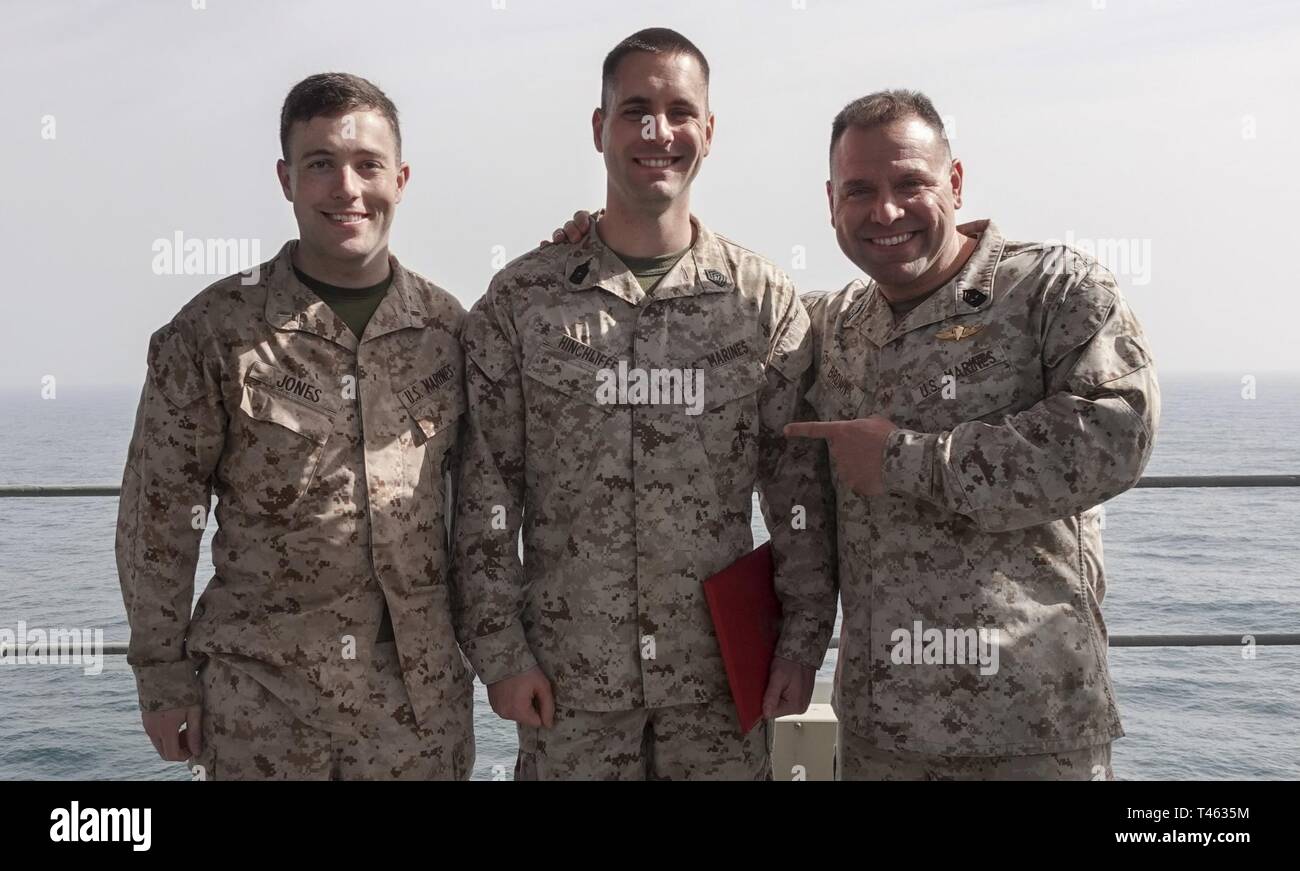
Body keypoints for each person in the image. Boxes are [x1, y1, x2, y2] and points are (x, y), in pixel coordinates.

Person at [452, 28, 837, 780]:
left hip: (722, 686)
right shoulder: (523, 301)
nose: (658, 132)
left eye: (678, 111)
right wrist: (500, 652)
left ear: (709, 132)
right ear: (600, 129)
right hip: (570, 690)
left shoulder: (761, 301)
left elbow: (797, 496)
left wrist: (800, 642)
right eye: (635, 111)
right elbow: (485, 493)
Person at [786, 90, 1160, 779]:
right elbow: (713, 322)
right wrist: (600, 239)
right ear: (831, 200)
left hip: (1028, 729)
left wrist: (907, 461)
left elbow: (1118, 432)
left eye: (910, 183)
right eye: (860, 189)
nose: (885, 211)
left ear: (954, 183)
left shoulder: (1052, 288)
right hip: (881, 734)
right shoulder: (830, 324)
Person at [115, 72, 474, 780]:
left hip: (419, 717)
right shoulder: (213, 334)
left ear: (400, 178)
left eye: (368, 164)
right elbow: (157, 517)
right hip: (266, 714)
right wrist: (161, 675)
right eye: (320, 164)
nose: (347, 187)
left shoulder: (449, 330)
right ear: (286, 179)